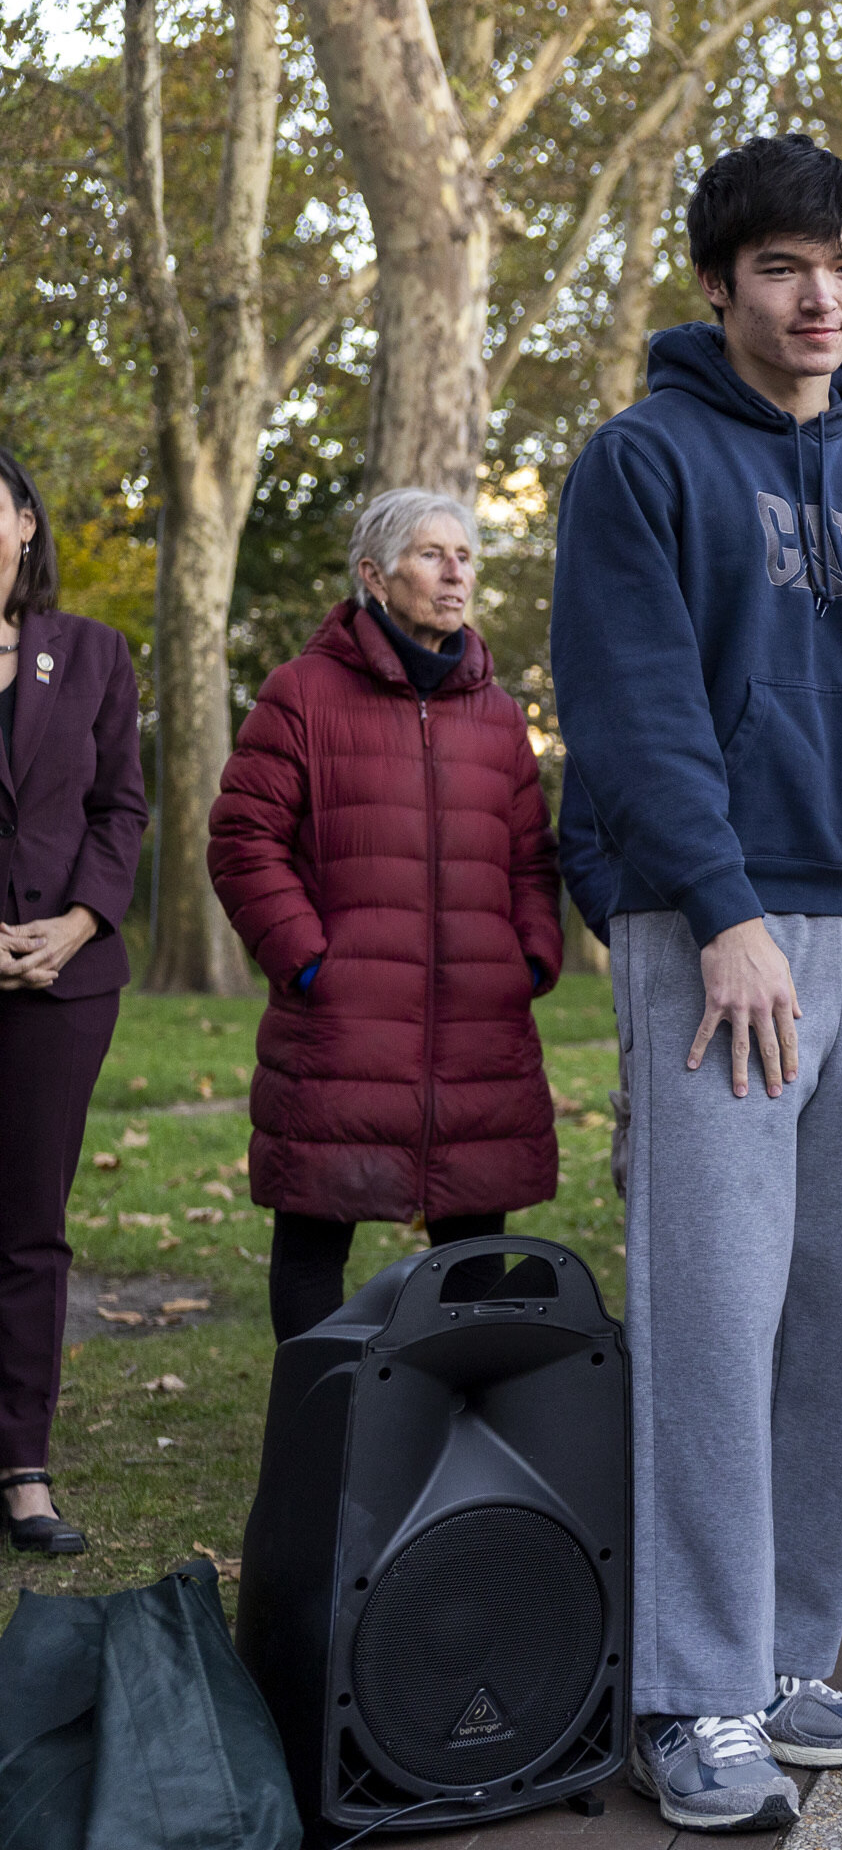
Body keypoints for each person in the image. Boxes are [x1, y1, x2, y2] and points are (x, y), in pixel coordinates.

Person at [549, 135, 842, 1832]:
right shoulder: (640, 464)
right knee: (713, 1322)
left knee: (841, 1328)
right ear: (722, 284)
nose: (823, 298)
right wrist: (720, 908)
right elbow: (634, 709)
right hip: (717, 941)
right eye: (787, 268)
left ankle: (792, 1658)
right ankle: (696, 1691)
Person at [208, 489, 563, 1341]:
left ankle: (454, 1447)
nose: (456, 574)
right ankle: (317, 1437)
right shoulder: (301, 693)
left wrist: (532, 958)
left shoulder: (499, 716)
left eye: (466, 557)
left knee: (475, 1254)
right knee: (311, 1239)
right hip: (341, 1028)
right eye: (433, 555)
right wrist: (306, 961)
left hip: (480, 1032)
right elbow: (242, 839)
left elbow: (531, 858)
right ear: (374, 574)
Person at [0, 451, 145, 1557]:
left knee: (31, 1222)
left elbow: (119, 808)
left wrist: (81, 922)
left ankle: (24, 1468)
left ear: (24, 527)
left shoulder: (92, 653)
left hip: (63, 978)